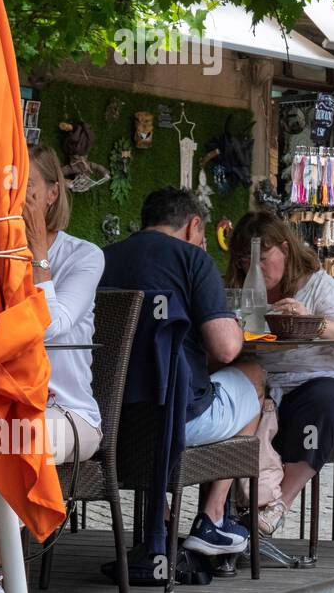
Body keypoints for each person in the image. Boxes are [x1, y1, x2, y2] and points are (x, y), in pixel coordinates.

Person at [0, 146, 105, 593]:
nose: (13, 197)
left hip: (67, 412)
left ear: (50, 194)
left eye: (24, 187)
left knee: (6, 436)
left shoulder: (83, 256)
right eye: (6, 186)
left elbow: (55, 322)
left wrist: (38, 251)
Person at [99, 187, 263, 558]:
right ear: (193, 226)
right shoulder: (191, 259)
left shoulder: (102, 259)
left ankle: (164, 519)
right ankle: (213, 517)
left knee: (152, 389)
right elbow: (225, 348)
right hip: (177, 421)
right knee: (254, 375)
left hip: (108, 424)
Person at [225, 212, 334, 537]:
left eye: (262, 259)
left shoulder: (317, 285)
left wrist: (313, 323)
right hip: (270, 389)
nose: (253, 268)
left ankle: (278, 504)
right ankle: (224, 516)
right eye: (243, 261)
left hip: (328, 383)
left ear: (285, 249)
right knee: (228, 398)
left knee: (322, 402)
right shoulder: (243, 294)